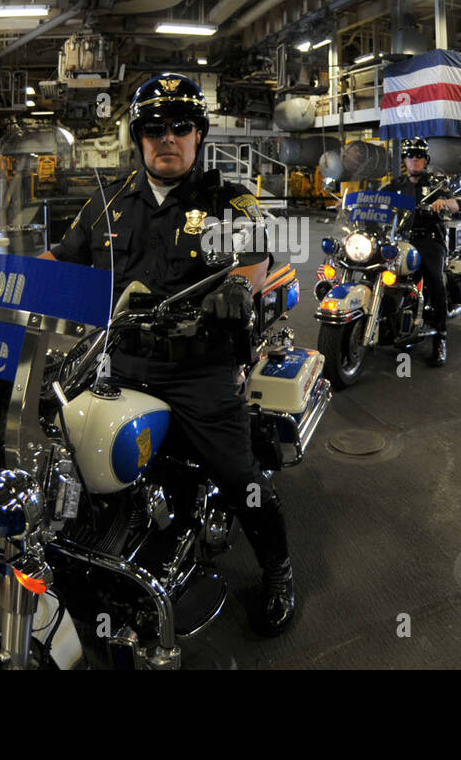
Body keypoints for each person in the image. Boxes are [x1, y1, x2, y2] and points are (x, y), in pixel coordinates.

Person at [42, 72, 297, 637]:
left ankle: (277, 566)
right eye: (154, 127)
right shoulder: (109, 201)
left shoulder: (228, 198)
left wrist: (239, 285)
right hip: (118, 362)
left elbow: (256, 255)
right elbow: (60, 263)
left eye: (180, 126)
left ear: (199, 134)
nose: (167, 137)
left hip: (197, 372)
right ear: (138, 137)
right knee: (68, 453)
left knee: (237, 474)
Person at [381, 136, 458, 366]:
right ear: (404, 159)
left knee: (434, 279)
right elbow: (376, 201)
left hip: (429, 239)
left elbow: (455, 203)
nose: (414, 160)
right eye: (410, 156)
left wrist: (443, 203)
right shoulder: (395, 185)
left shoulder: (436, 183)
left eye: (419, 156)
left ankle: (440, 337)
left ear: (425, 160)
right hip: (401, 239)